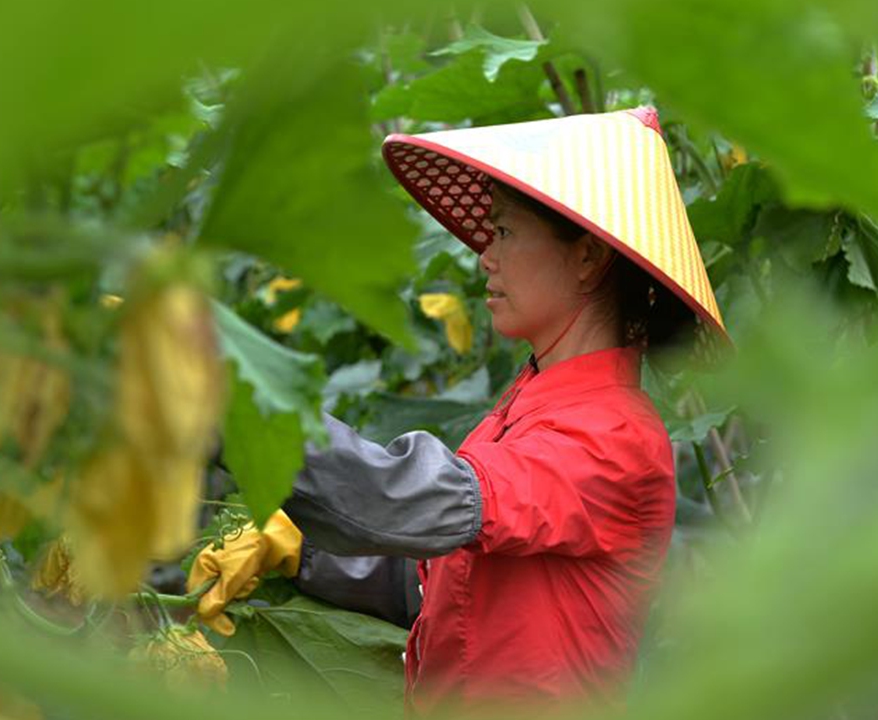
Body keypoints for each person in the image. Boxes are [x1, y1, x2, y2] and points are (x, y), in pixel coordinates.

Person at [188, 106, 730, 714]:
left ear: (588, 258)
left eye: (503, 232)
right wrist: (301, 552)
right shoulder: (523, 406)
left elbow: (417, 505)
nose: (483, 258)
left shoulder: (614, 438)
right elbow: (448, 587)